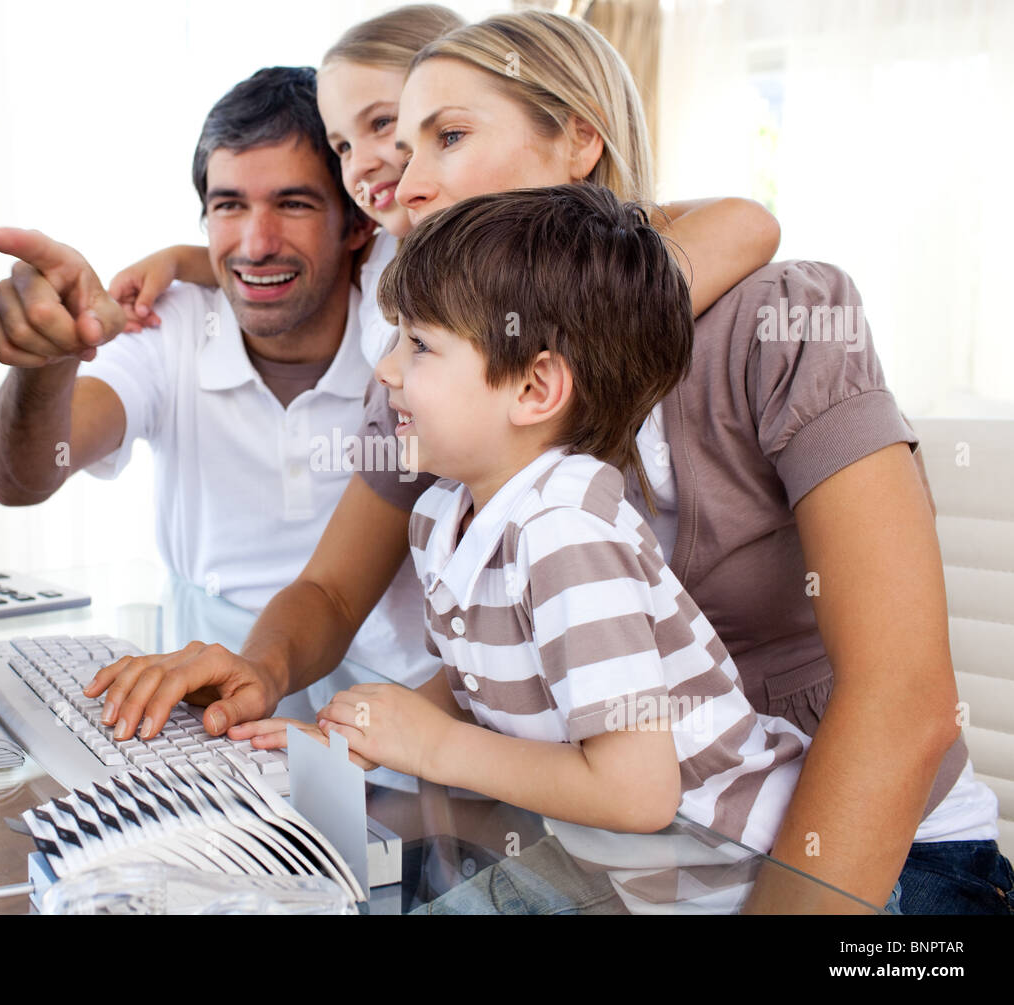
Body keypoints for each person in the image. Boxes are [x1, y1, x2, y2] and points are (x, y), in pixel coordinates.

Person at [85, 9, 1009, 914]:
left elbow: (905, 701)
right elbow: (332, 594)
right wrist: (267, 672)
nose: (402, 185)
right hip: (627, 860)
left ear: (578, 139)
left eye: (446, 137)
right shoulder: (432, 378)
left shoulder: (785, 323)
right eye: (394, 153)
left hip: (859, 857)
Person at [306, 181, 810, 913]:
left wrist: (430, 748)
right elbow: (472, 684)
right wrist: (353, 734)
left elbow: (638, 791)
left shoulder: (564, 528)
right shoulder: (445, 516)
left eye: (418, 344)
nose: (386, 371)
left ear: (536, 387)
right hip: (615, 867)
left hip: (725, 876)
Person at [0, 66, 441, 744]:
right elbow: (21, 478)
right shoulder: (170, 327)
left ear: (357, 226)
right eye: (228, 206)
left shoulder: (405, 344)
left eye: (294, 204)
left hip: (394, 703)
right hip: (207, 701)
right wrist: (48, 363)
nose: (255, 244)